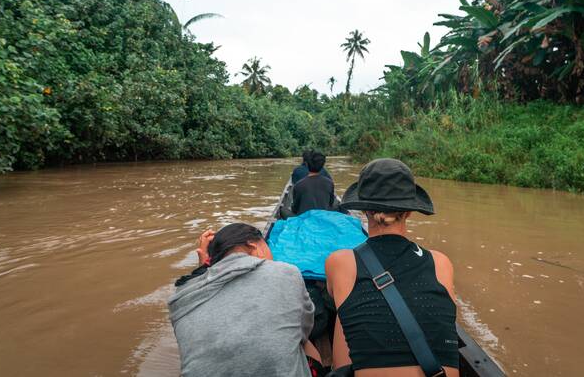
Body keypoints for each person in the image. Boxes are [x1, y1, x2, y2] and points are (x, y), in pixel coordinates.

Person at [325, 158, 459, 377]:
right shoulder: (441, 263)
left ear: (364, 210)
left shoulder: (340, 262)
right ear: (409, 211)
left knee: (346, 305)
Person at [169, 223, 319, 377]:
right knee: (306, 344)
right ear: (254, 247)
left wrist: (204, 266)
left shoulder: (181, 296)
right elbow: (305, 329)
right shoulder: (286, 271)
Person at [292, 151, 337, 215]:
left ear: (307, 164)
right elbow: (330, 204)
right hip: (323, 217)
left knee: (283, 210)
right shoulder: (330, 183)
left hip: (304, 219)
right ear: (322, 165)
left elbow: (295, 209)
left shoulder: (298, 185)